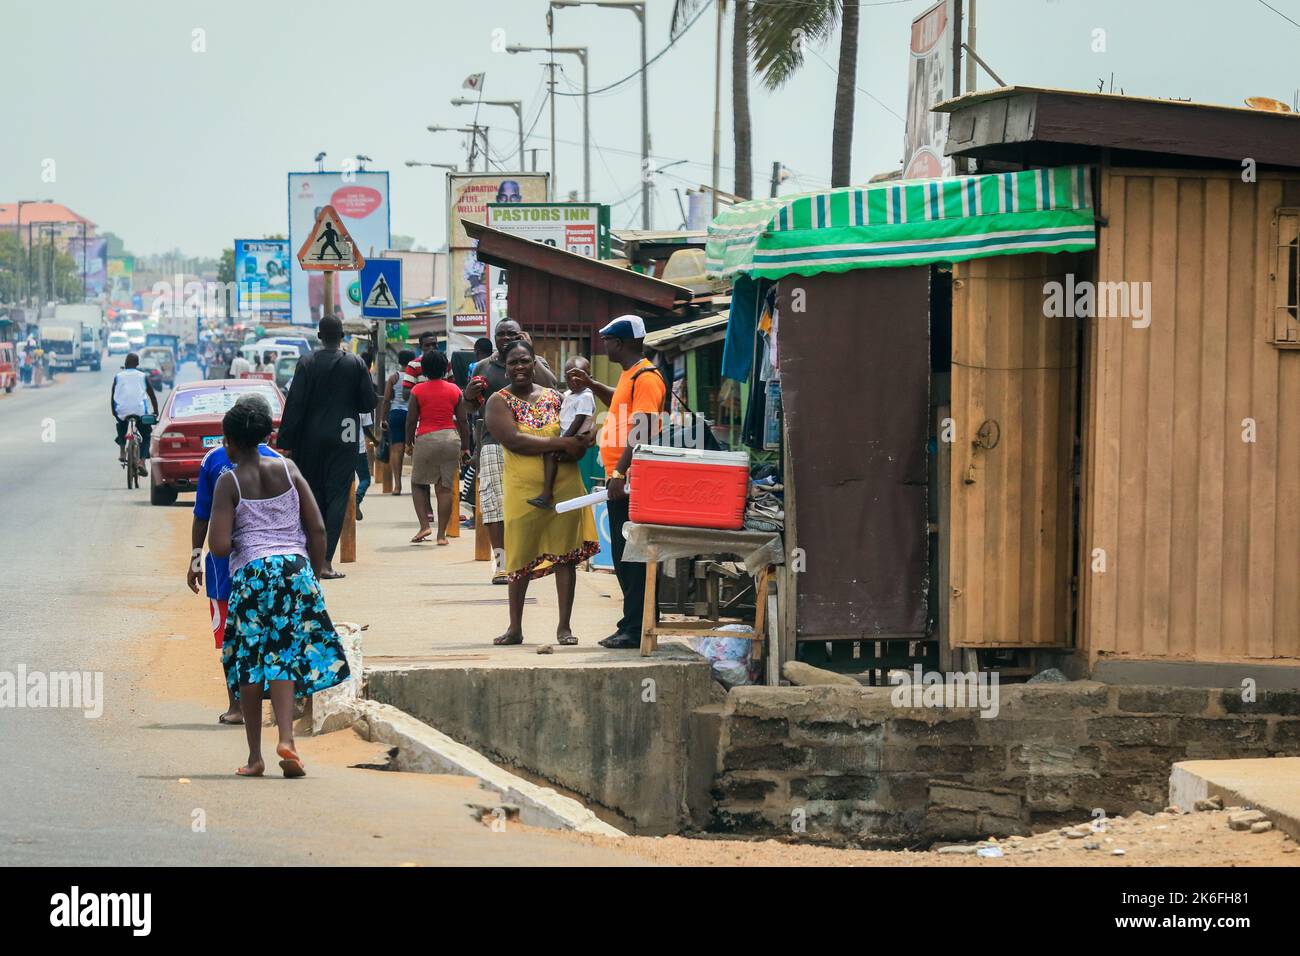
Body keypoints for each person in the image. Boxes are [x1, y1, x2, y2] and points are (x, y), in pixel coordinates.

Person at [206, 398, 351, 778]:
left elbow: (219, 546)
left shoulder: (229, 481)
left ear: (229, 442)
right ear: (266, 436)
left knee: (251, 665)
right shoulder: (288, 469)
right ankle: (287, 738)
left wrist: (238, 533)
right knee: (283, 656)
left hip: (253, 575)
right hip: (295, 570)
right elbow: (317, 528)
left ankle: (256, 757)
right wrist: (313, 576)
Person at [484, 339, 598, 645]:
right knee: (519, 556)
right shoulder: (498, 401)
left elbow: (582, 428)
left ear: (535, 364)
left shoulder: (556, 397)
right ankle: (514, 628)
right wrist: (562, 444)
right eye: (513, 362)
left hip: (565, 484)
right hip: (522, 489)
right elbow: (514, 440)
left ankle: (564, 627)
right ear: (505, 368)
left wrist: (583, 441)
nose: (519, 367)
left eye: (525, 361)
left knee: (566, 556)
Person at [567, 315, 667, 649]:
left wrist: (620, 473)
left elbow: (643, 429)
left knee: (631, 557)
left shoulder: (647, 378)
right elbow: (621, 405)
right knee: (625, 557)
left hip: (632, 482)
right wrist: (594, 385)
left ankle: (636, 627)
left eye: (608, 340)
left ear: (621, 343)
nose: (604, 344)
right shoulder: (630, 376)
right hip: (622, 480)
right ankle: (631, 623)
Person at [186, 393, 281, 725]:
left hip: (225, 567)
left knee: (230, 637)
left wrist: (196, 557)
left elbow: (202, 515)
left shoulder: (214, 461)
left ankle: (237, 706)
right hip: (270, 560)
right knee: (270, 630)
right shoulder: (279, 463)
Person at [276, 315, 378, 579]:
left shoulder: (307, 362)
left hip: (308, 441)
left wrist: (285, 443)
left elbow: (295, 404)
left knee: (310, 497)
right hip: (344, 440)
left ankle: (309, 558)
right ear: (342, 336)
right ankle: (325, 562)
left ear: (319, 336)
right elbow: (368, 403)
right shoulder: (355, 363)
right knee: (337, 499)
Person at [462, 320, 558, 583]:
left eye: (511, 334)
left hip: (531, 441)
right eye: (501, 334)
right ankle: (502, 564)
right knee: (494, 505)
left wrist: (532, 353)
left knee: (529, 502)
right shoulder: (483, 367)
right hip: (492, 443)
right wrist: (468, 395)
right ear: (494, 338)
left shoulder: (534, 361)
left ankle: (528, 559)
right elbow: (469, 409)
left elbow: (553, 388)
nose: (505, 338)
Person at [405, 350, 470, 544]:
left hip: (426, 438)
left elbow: (411, 420)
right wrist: (465, 447)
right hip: (450, 439)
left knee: (417, 483)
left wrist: (409, 442)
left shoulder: (417, 390)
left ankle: (424, 526)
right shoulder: (455, 390)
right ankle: (441, 535)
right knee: (445, 488)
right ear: (445, 369)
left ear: (423, 370)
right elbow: (463, 421)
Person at [528, 356, 596, 509]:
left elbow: (579, 419)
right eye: (570, 377)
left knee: (550, 453)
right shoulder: (569, 394)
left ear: (588, 378)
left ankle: (547, 494)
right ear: (565, 378)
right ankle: (548, 492)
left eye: (579, 376)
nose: (575, 380)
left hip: (575, 438)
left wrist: (563, 439)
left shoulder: (586, 396)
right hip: (568, 438)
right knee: (550, 454)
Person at [111, 352, 159, 476]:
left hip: (122, 410)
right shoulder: (142, 376)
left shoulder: (118, 376)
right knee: (146, 435)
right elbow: (152, 395)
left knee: (121, 425)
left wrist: (114, 412)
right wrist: (156, 412)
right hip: (139, 411)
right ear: (137, 364)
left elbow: (113, 396)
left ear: (125, 364)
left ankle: (122, 451)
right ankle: (142, 462)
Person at [379, 348, 417, 495]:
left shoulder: (394, 377)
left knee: (397, 449)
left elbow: (387, 399)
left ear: (399, 361)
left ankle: (398, 485)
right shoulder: (416, 377)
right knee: (416, 449)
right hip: (413, 414)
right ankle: (418, 485)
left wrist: (383, 418)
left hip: (396, 414)